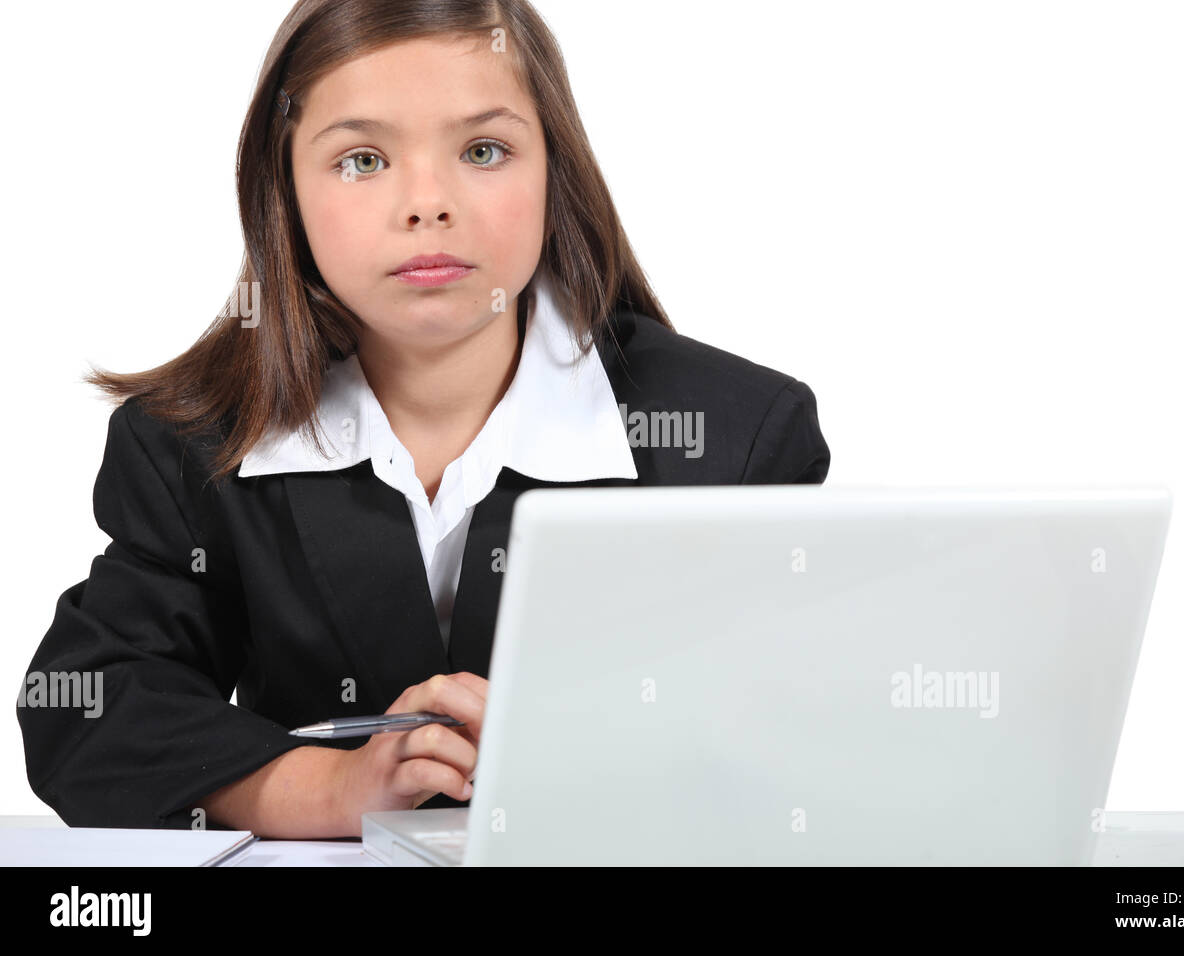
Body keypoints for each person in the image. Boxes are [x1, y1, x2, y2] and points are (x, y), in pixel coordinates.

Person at [17, 0, 830, 838]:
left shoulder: (734, 439)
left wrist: (583, 758)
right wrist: (332, 791)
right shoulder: (194, 441)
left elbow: (817, 738)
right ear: (285, 192)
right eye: (363, 159)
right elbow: (88, 707)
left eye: (484, 150)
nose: (427, 203)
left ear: (556, 169)